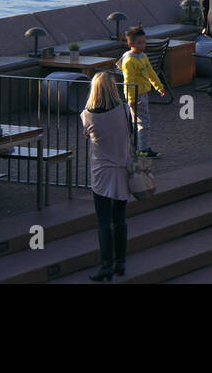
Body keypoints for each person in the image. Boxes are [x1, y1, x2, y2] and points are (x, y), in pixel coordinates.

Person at [80, 71, 132, 281]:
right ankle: (121, 262)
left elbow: (87, 134)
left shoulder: (88, 114)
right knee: (119, 218)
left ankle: (106, 265)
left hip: (101, 170)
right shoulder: (124, 110)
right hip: (122, 167)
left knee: (103, 220)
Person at [118, 26, 165, 158]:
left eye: (144, 42)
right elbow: (129, 82)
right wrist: (131, 100)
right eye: (140, 43)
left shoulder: (142, 56)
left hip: (142, 94)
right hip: (137, 96)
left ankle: (134, 148)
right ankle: (143, 149)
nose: (143, 45)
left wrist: (159, 86)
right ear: (131, 44)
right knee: (143, 123)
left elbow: (151, 72)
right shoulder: (130, 61)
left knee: (136, 122)